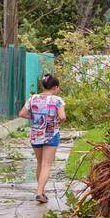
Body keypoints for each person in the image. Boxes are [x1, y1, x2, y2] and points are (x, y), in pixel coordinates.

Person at [19, 75, 66, 204]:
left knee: (40, 163)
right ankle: (39, 193)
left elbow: (22, 113)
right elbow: (62, 116)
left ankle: (42, 191)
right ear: (55, 87)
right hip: (51, 134)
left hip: (36, 134)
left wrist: (35, 118)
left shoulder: (33, 98)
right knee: (47, 164)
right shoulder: (57, 100)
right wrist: (55, 120)